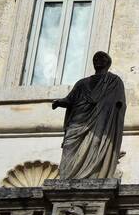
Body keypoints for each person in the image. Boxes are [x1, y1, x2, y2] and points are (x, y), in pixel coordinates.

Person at [52, 51, 127, 179]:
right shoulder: (82, 83)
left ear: (108, 63)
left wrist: (109, 111)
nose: (97, 60)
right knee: (69, 143)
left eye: (101, 58)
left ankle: (93, 175)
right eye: (95, 58)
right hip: (78, 120)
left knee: (96, 143)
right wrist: (59, 102)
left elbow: (120, 103)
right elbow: (70, 99)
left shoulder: (114, 81)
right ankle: (67, 176)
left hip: (100, 121)